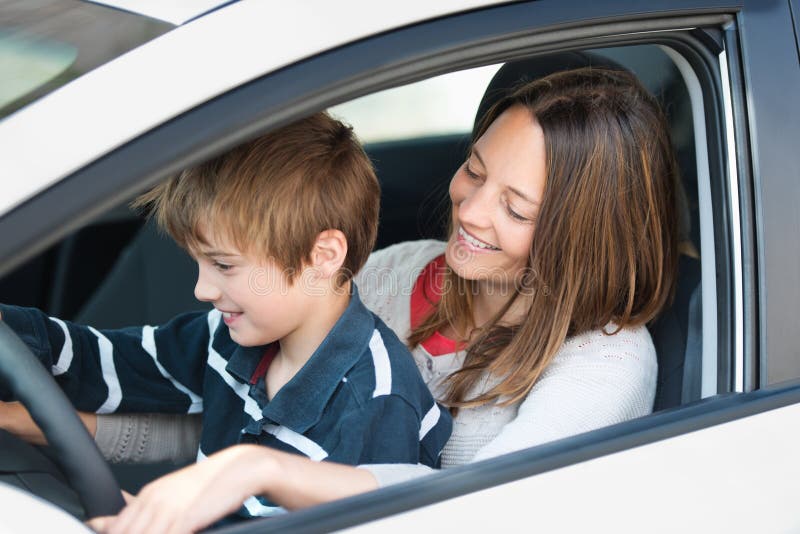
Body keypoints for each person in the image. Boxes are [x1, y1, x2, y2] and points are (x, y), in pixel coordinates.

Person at [6, 67, 682, 533]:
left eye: (515, 206)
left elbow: (476, 515)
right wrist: (61, 429)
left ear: (581, 230)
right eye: (473, 169)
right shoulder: (396, 273)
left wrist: (252, 471)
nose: (469, 210)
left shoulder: (605, 365)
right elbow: (248, 419)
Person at [0, 112, 452, 525]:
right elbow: (111, 363)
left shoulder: (376, 401)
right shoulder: (231, 336)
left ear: (323, 256)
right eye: (199, 263)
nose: (203, 289)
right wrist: (21, 336)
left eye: (224, 265)